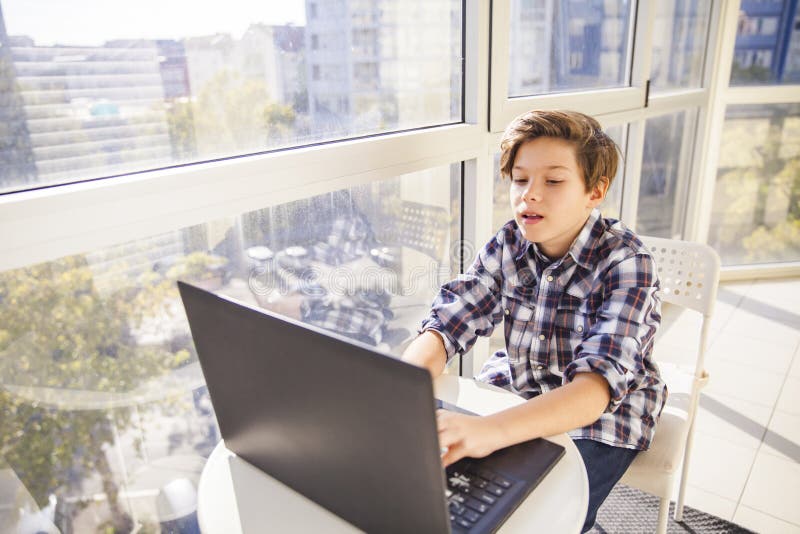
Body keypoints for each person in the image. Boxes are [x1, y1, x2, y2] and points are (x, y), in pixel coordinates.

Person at [401, 109, 666, 533]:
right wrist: (401, 385)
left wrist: (490, 431)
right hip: (521, 385)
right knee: (456, 492)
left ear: (595, 191)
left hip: (604, 415)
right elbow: (450, 320)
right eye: (520, 179)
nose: (530, 195)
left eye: (554, 181)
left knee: (545, 515)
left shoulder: (628, 262)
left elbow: (593, 392)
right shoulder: (508, 241)